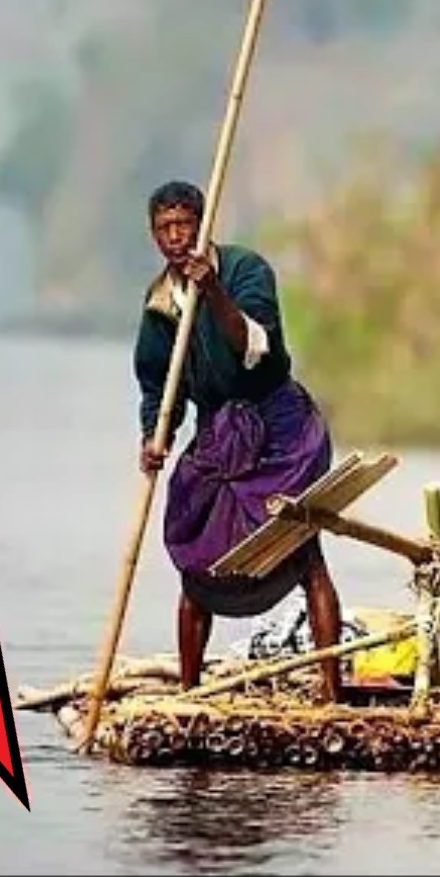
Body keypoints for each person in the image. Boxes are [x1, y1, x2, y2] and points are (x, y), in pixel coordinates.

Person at [132, 179, 344, 704]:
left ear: (204, 226)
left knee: (304, 551)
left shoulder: (247, 270)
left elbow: (259, 349)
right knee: (193, 549)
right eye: (165, 229)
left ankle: (331, 690)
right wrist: (153, 437)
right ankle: (190, 692)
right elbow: (160, 383)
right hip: (219, 435)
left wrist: (214, 293)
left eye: (185, 225)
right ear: (154, 235)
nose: (177, 238)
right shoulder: (160, 302)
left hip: (278, 429)